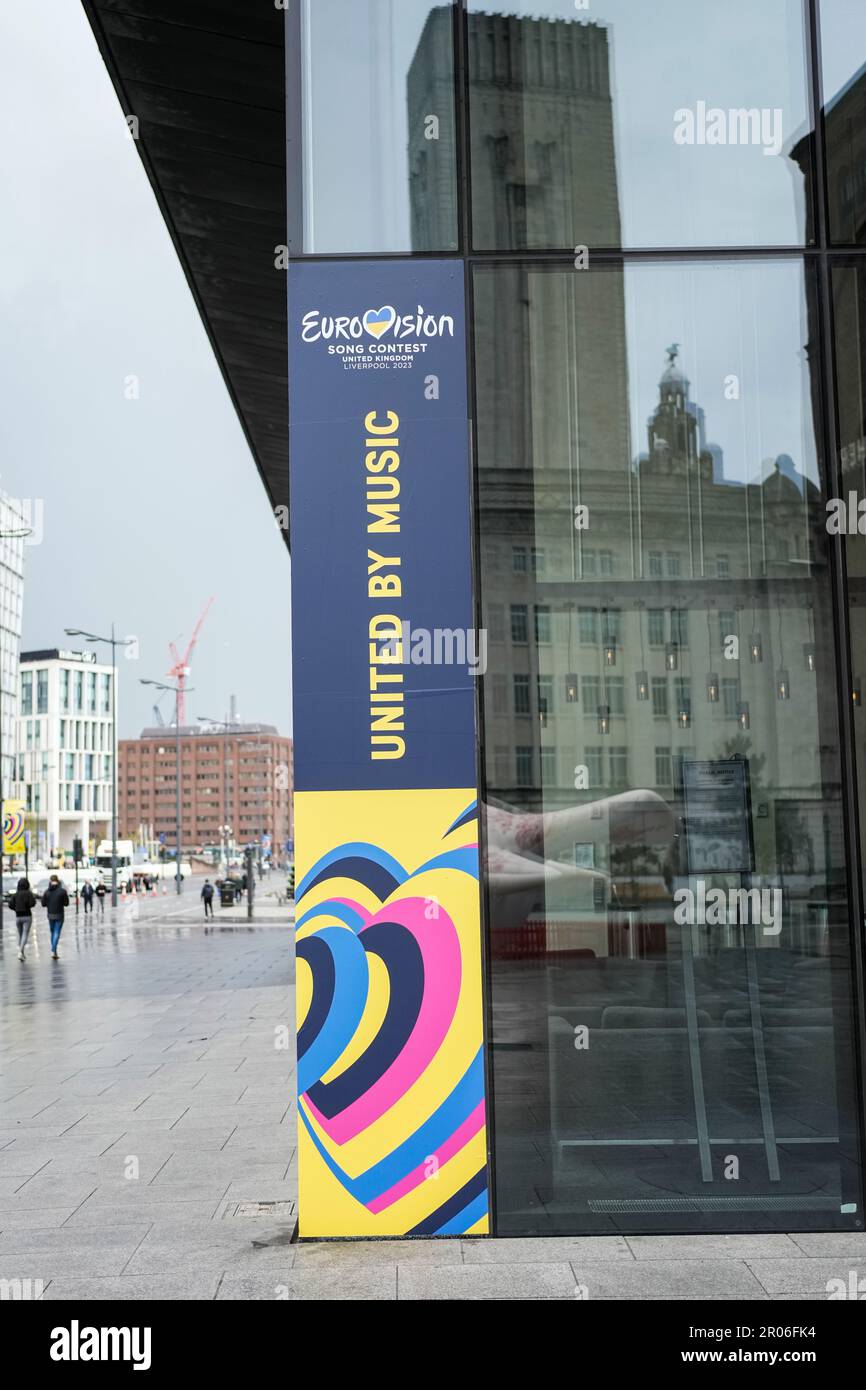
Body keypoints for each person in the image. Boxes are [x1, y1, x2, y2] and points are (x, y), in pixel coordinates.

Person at [41, 874, 70, 959]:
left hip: (50, 915)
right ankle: (53, 949)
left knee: (53, 932)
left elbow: (43, 904)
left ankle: (54, 951)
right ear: (58, 881)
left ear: (50, 881)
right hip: (59, 914)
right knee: (56, 932)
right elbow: (66, 903)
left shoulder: (47, 892)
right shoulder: (62, 891)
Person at [12, 877, 37, 961]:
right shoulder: (28, 893)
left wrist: (16, 908)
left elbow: (10, 904)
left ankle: (21, 953)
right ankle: (20, 952)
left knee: (21, 935)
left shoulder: (16, 894)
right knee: (25, 934)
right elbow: (32, 903)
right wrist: (27, 906)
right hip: (27, 916)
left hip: (18, 916)